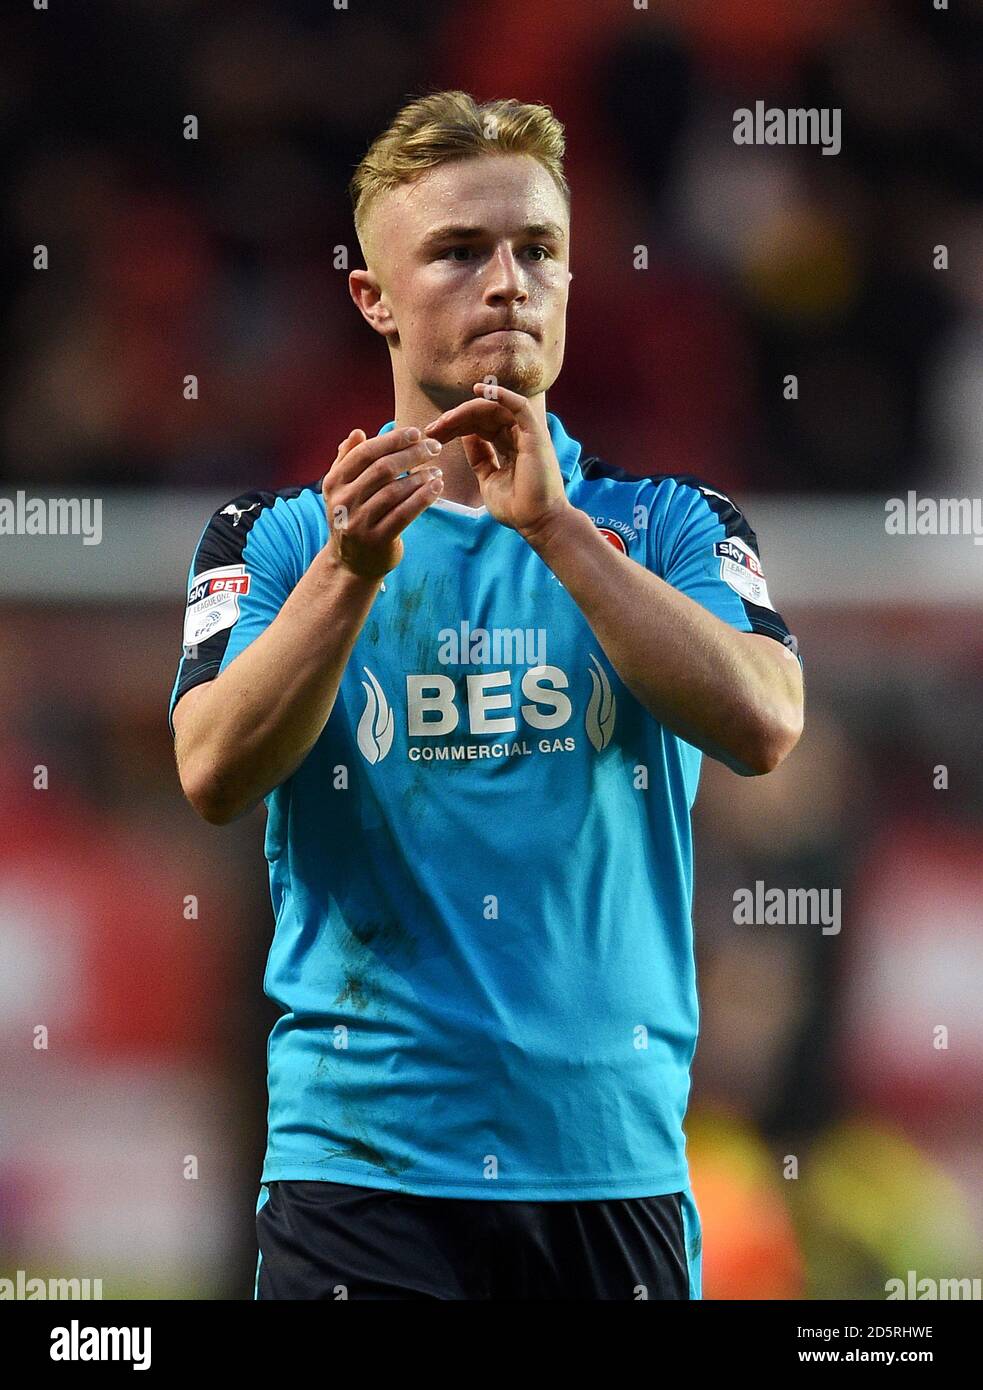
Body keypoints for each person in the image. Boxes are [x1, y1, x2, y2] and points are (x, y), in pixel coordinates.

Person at [168, 89, 804, 1300]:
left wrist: (556, 534)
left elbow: (765, 720)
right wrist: (352, 576)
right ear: (373, 298)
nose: (507, 282)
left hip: (607, 1166)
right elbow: (211, 770)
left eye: (537, 250)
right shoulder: (279, 537)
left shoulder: (667, 526)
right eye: (459, 252)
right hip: (363, 1172)